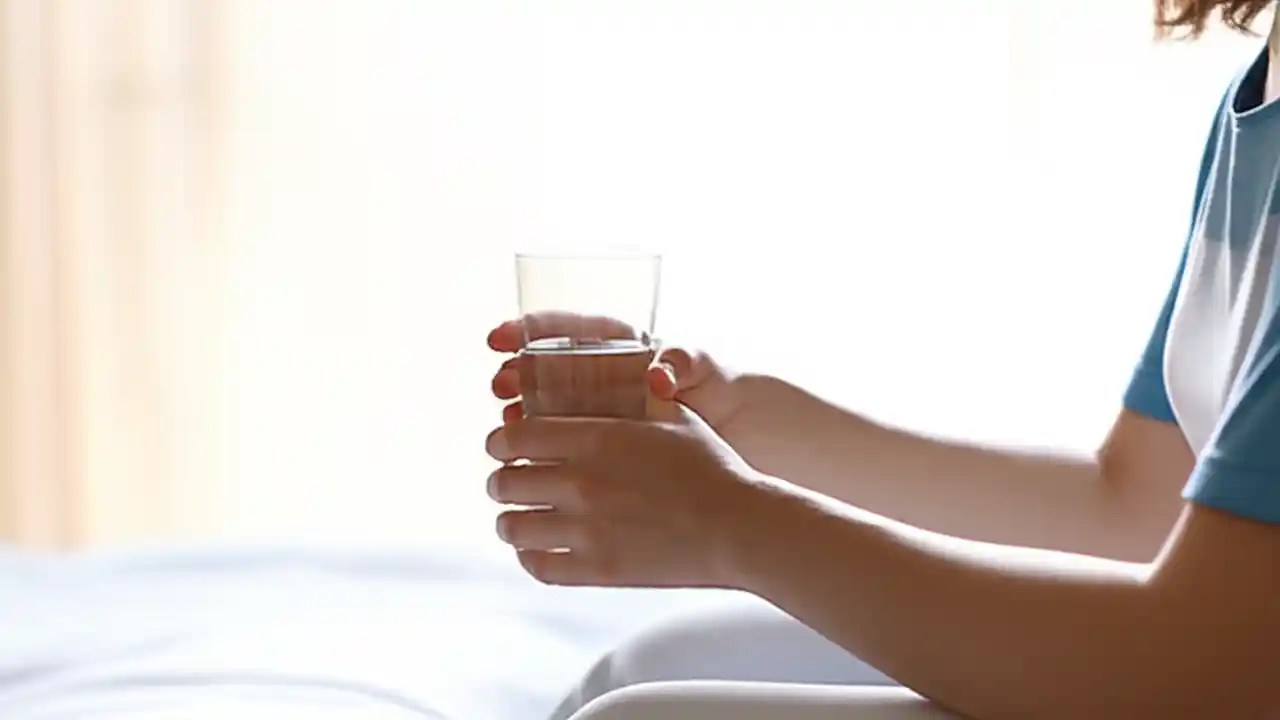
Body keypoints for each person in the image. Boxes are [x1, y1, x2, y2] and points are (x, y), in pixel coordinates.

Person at [485, 1, 1280, 717]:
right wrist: (758, 434)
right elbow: (1139, 506)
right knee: (632, 673)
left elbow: (1205, 668)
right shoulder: (1256, 94)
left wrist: (731, 521)